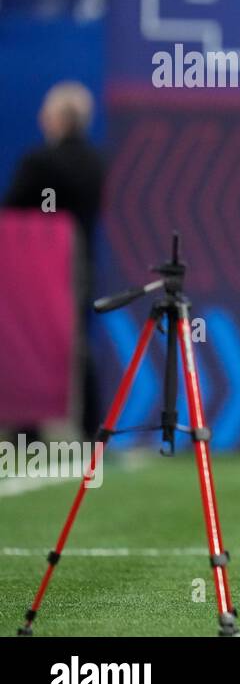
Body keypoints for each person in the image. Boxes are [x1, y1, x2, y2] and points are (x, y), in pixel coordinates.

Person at [3, 81, 106, 441]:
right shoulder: (98, 163)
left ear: (59, 118)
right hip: (80, 269)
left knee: (26, 342)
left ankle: (26, 429)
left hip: (35, 271)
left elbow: (13, 210)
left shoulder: (41, 163)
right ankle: (91, 428)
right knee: (75, 346)